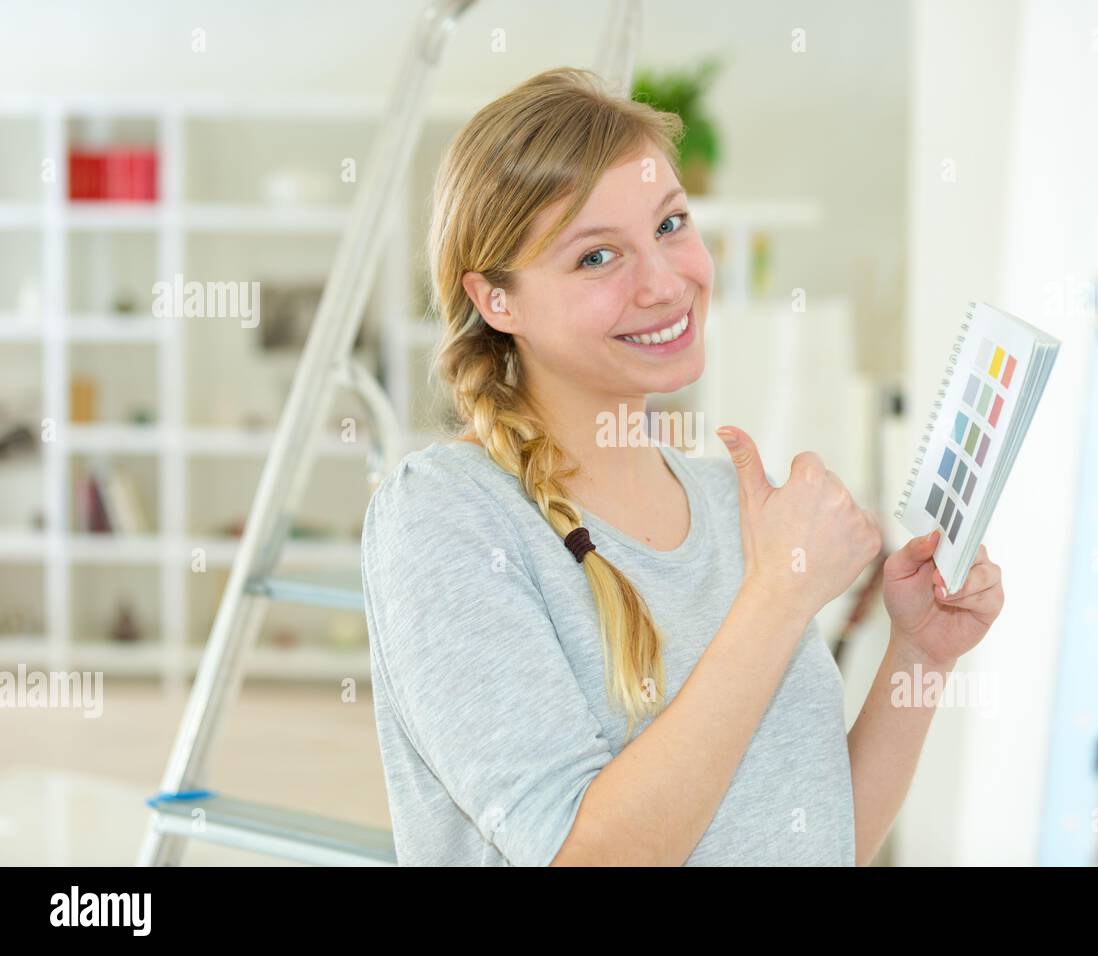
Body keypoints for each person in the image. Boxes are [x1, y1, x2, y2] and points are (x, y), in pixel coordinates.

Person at [360, 66, 1004, 866]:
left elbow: (814, 840)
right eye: (597, 257)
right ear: (498, 300)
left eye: (670, 225)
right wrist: (778, 596)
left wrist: (920, 652)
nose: (665, 284)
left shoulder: (728, 502)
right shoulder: (446, 516)